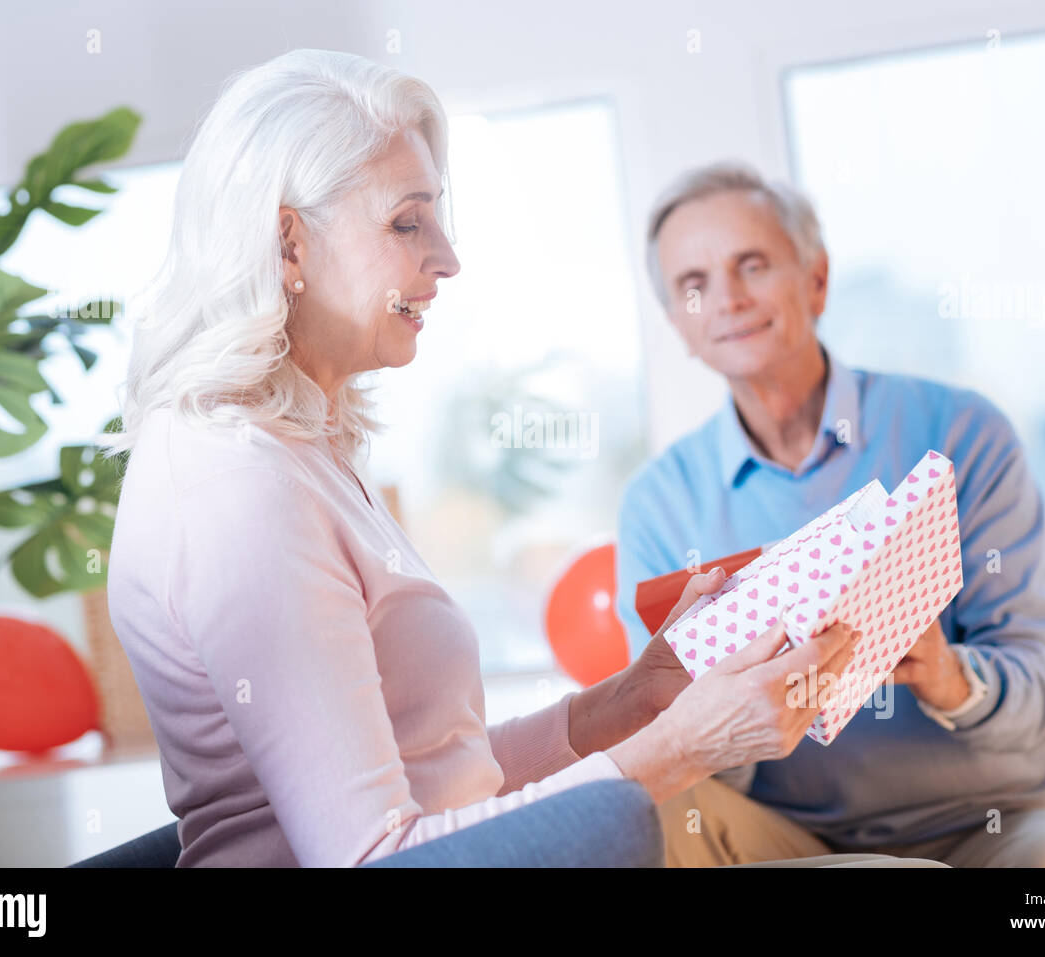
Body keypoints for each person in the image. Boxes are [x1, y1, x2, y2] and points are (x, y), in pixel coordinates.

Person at [102, 49, 939, 868]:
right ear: (288, 245)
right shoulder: (235, 485)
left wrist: (637, 697)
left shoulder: (300, 451)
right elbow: (376, 856)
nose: (448, 257)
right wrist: (685, 744)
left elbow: (441, 776)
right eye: (406, 221)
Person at [615, 162, 1045, 867]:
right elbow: (666, 736)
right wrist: (730, 708)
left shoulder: (962, 433)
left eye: (753, 265)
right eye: (694, 285)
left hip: (997, 824)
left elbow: (1041, 693)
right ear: (677, 321)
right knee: (635, 805)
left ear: (816, 280)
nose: (727, 299)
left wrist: (946, 674)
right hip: (792, 841)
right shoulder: (658, 502)